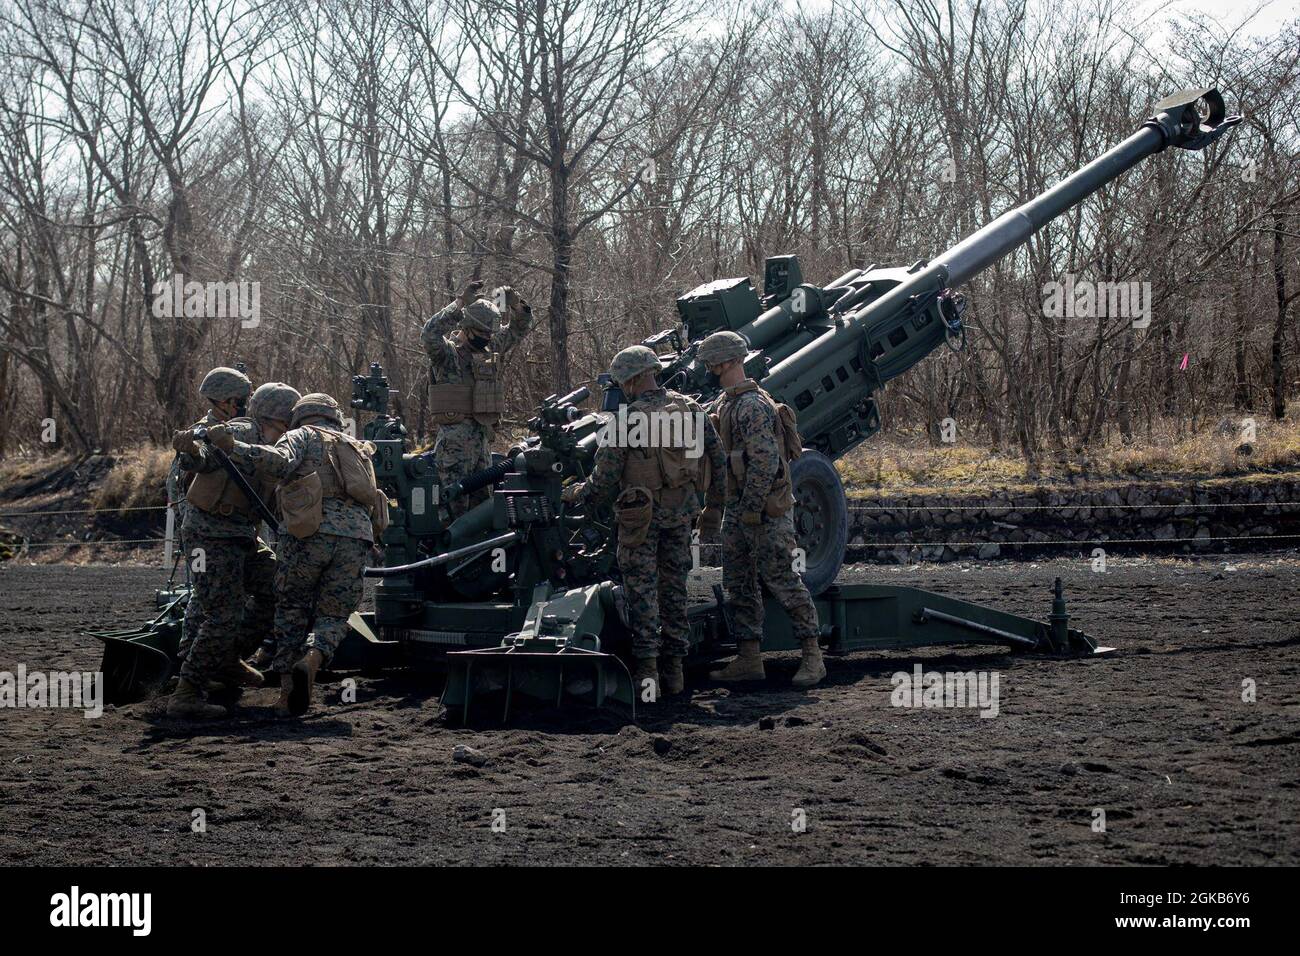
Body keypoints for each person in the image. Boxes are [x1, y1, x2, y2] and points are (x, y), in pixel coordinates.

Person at [562, 345, 725, 699]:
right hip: (682, 517)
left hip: (641, 520)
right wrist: (714, 507)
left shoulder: (626, 421)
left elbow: (603, 481)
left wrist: (576, 495)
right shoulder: (690, 410)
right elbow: (718, 459)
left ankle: (648, 672)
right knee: (674, 590)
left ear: (632, 379)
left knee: (642, 594)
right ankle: (676, 672)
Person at [210, 392, 381, 716]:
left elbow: (279, 462)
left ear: (302, 416)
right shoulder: (356, 446)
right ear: (334, 416)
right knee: (334, 615)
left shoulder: (301, 435)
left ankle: (288, 695)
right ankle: (313, 659)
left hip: (308, 535)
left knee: (292, 609)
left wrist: (234, 447)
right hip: (355, 539)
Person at [696, 330, 826, 688]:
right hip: (739, 512)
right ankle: (749, 658)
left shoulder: (752, 405)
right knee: (738, 584)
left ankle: (813, 657)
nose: (708, 367)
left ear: (724, 361)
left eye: (711, 361)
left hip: (764, 512)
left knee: (783, 580)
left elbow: (766, 463)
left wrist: (752, 508)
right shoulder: (727, 404)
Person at [165, 370, 292, 719]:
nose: (285, 432)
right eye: (283, 424)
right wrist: (192, 449)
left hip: (240, 536)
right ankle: (187, 692)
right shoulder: (240, 430)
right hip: (208, 535)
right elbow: (204, 451)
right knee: (219, 611)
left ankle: (225, 658)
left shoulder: (273, 446)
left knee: (277, 585)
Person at [421, 279, 533, 519]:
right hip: (453, 446)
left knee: (483, 511)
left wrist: (517, 305)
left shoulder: (488, 350)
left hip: (482, 442)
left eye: (489, 334)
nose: (487, 338)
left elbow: (517, 330)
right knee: (453, 510)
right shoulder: (447, 354)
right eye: (482, 333)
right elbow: (429, 333)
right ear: (468, 328)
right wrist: (460, 303)